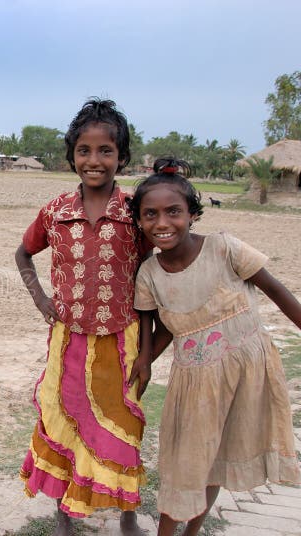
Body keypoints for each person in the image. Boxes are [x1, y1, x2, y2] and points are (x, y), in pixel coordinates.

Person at [129, 158, 301, 536]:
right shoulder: (149, 274)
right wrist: (144, 362)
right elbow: (157, 329)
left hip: (248, 371)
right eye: (150, 214)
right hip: (195, 385)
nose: (162, 223)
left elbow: (276, 290)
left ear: (192, 214)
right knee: (184, 467)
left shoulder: (225, 249)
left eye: (173, 212)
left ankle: (193, 531)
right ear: (139, 222)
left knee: (217, 461)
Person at [15, 98, 151, 535]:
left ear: (122, 157)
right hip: (69, 339)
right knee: (65, 416)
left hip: (121, 339)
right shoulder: (56, 211)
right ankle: (65, 511)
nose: (95, 161)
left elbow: (152, 278)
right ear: (71, 156)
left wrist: (148, 352)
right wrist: (41, 300)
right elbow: (23, 254)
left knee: (122, 420)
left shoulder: (134, 212)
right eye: (84, 151)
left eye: (105, 151)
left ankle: (127, 512)